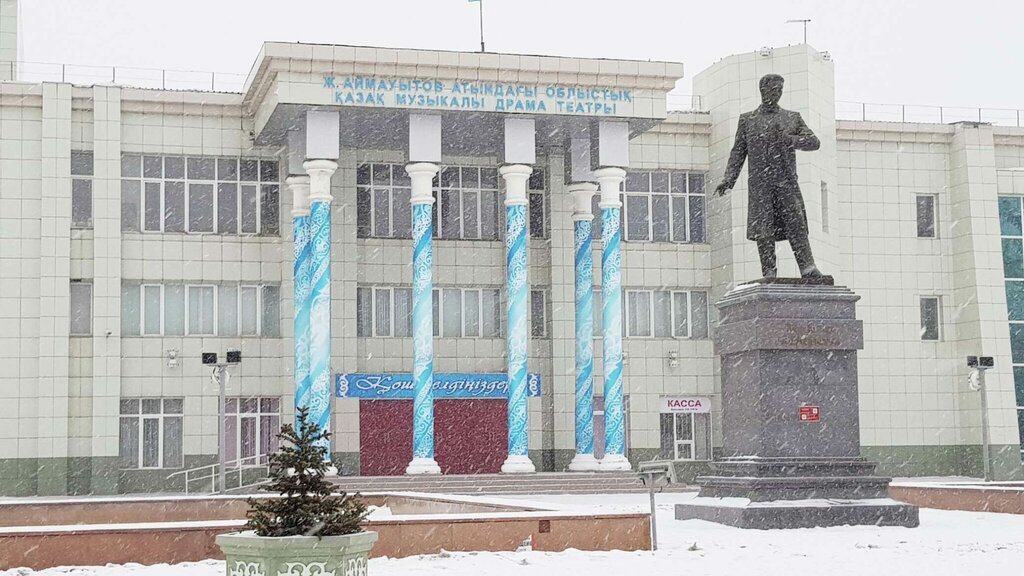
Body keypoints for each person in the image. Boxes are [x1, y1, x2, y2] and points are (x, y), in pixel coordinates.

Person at [715, 73, 825, 279]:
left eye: (780, 90)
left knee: (796, 224)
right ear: (763, 90)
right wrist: (728, 179)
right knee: (764, 229)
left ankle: (808, 267)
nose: (777, 93)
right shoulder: (748, 120)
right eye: (774, 89)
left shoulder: (792, 117)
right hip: (761, 184)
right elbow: (738, 151)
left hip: (786, 181)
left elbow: (814, 141)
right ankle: (769, 270)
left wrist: (791, 139)